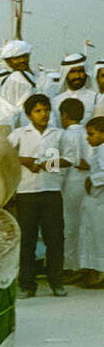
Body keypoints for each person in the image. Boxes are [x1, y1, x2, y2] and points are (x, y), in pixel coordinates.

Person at [9, 94, 66, 296]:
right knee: (27, 240)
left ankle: (56, 282)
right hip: (27, 193)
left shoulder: (58, 134)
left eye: (46, 110)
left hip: (51, 192)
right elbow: (3, 152)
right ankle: (27, 284)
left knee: (55, 239)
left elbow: (71, 159)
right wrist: (24, 160)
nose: (43, 114)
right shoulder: (20, 134)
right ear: (29, 115)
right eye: (38, 111)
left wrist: (46, 165)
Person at [58, 97, 91, 280]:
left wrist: (42, 165)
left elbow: (66, 162)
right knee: (85, 225)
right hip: (89, 183)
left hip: (72, 183)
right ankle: (86, 265)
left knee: (70, 225)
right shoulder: (88, 133)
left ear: (64, 115)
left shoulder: (66, 135)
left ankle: (71, 267)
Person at [77, 116, 104, 286]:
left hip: (98, 200)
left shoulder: (102, 149)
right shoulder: (98, 149)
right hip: (96, 200)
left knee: (97, 238)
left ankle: (96, 276)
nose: (88, 138)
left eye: (91, 134)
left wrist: (91, 179)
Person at [52, 53, 98, 128]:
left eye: (80, 71)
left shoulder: (96, 98)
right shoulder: (55, 101)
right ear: (66, 74)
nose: (77, 76)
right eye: (72, 72)